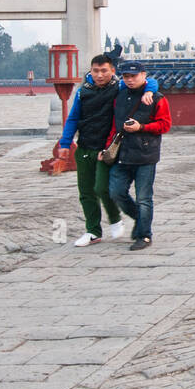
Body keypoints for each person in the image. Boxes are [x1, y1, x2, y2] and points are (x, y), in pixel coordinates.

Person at [57, 54, 158, 247]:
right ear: (91, 71)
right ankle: (93, 231)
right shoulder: (83, 91)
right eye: (96, 71)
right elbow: (73, 118)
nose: (100, 75)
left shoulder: (118, 87)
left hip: (106, 149)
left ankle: (119, 219)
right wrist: (64, 144)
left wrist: (150, 91)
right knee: (86, 192)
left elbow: (149, 81)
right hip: (84, 145)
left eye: (104, 70)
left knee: (103, 189)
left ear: (112, 71)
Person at [105, 60, 172, 251]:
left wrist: (141, 127)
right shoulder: (119, 96)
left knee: (144, 197)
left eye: (133, 76)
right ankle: (139, 219)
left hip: (145, 154)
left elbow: (165, 125)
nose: (130, 80)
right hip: (123, 153)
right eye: (126, 76)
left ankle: (144, 235)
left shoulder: (157, 98)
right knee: (116, 192)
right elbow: (114, 125)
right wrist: (107, 147)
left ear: (144, 75)